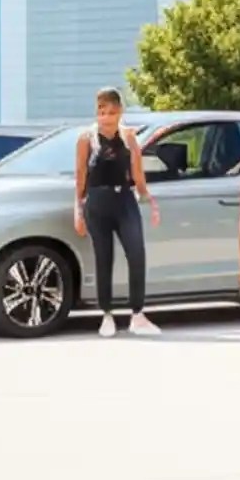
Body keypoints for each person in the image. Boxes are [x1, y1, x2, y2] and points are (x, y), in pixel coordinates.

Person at [74, 87, 161, 338]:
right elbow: (80, 177)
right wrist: (78, 210)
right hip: (97, 202)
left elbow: (138, 174)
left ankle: (137, 314)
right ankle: (107, 315)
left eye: (111, 111)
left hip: (124, 199)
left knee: (136, 252)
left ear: (120, 111)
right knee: (104, 257)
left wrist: (150, 201)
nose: (107, 117)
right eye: (102, 111)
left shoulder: (129, 137)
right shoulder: (86, 138)